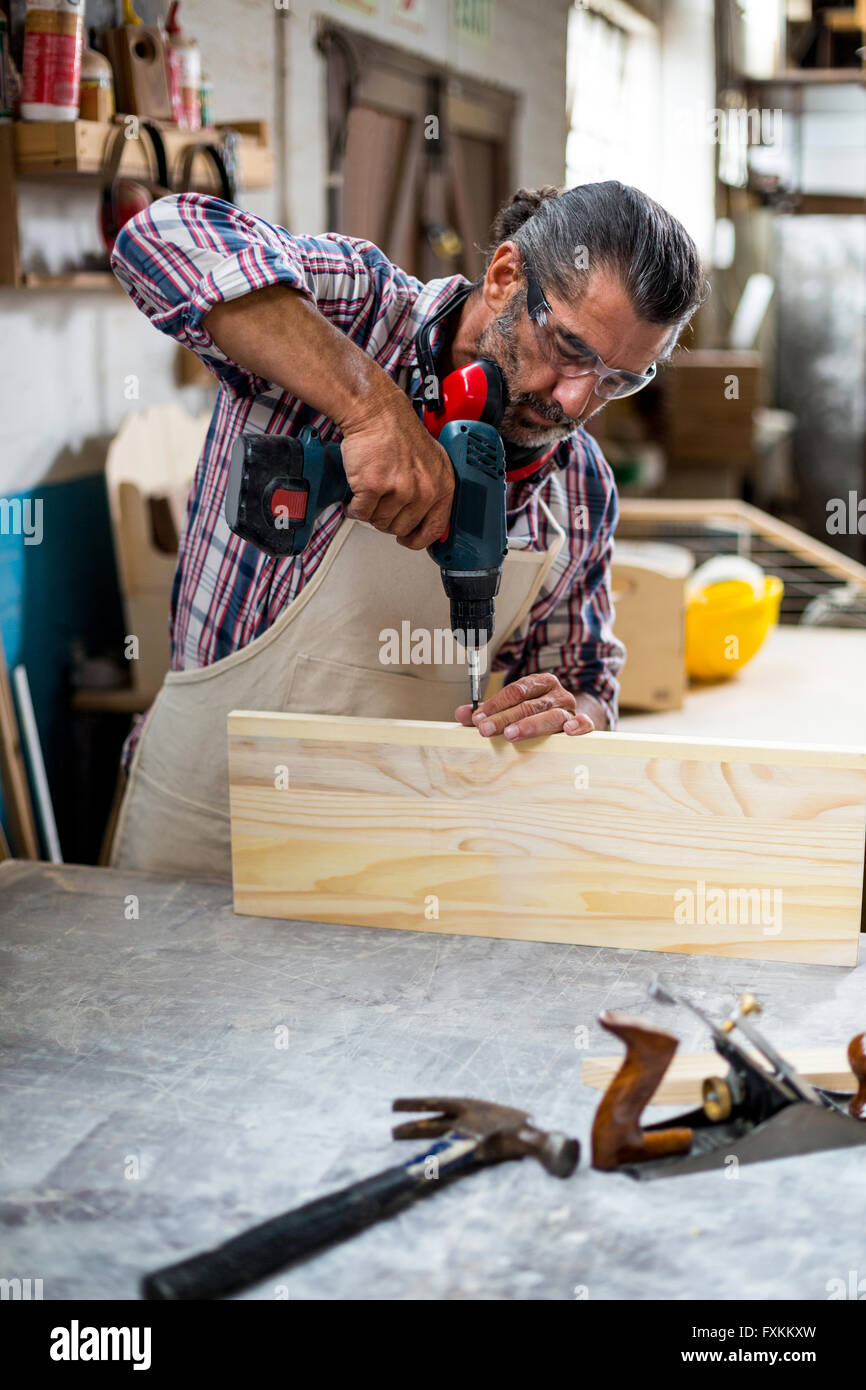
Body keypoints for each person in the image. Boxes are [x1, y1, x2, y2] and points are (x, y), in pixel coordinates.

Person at [107, 181, 707, 877]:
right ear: (506, 275)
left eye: (617, 381)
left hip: (410, 854)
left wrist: (571, 716)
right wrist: (370, 406)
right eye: (568, 347)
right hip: (208, 822)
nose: (576, 399)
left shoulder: (580, 487)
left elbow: (586, 680)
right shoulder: (359, 309)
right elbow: (160, 233)